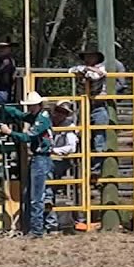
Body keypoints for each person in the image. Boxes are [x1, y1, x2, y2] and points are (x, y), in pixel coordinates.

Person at [0, 91, 53, 238]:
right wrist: (6, 108)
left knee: (36, 196)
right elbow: (22, 116)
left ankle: (36, 230)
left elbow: (28, 137)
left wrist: (9, 132)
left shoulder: (41, 119)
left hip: (41, 159)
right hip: (39, 158)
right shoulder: (39, 116)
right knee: (34, 194)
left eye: (31, 105)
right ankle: (35, 228)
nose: (29, 108)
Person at [45, 100, 80, 233]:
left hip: (60, 159)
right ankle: (50, 221)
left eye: (63, 112)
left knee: (47, 182)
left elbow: (71, 148)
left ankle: (50, 222)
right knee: (46, 182)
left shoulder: (69, 125)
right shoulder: (47, 121)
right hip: (49, 158)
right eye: (59, 111)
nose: (60, 114)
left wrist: (54, 150)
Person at [70, 48, 110, 153]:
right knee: (81, 133)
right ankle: (82, 160)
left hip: (98, 105)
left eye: (91, 56)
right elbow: (71, 70)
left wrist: (88, 70)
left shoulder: (100, 67)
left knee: (99, 134)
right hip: (83, 105)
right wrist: (86, 70)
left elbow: (97, 75)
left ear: (97, 58)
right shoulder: (81, 68)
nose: (88, 58)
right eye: (87, 56)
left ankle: (97, 162)